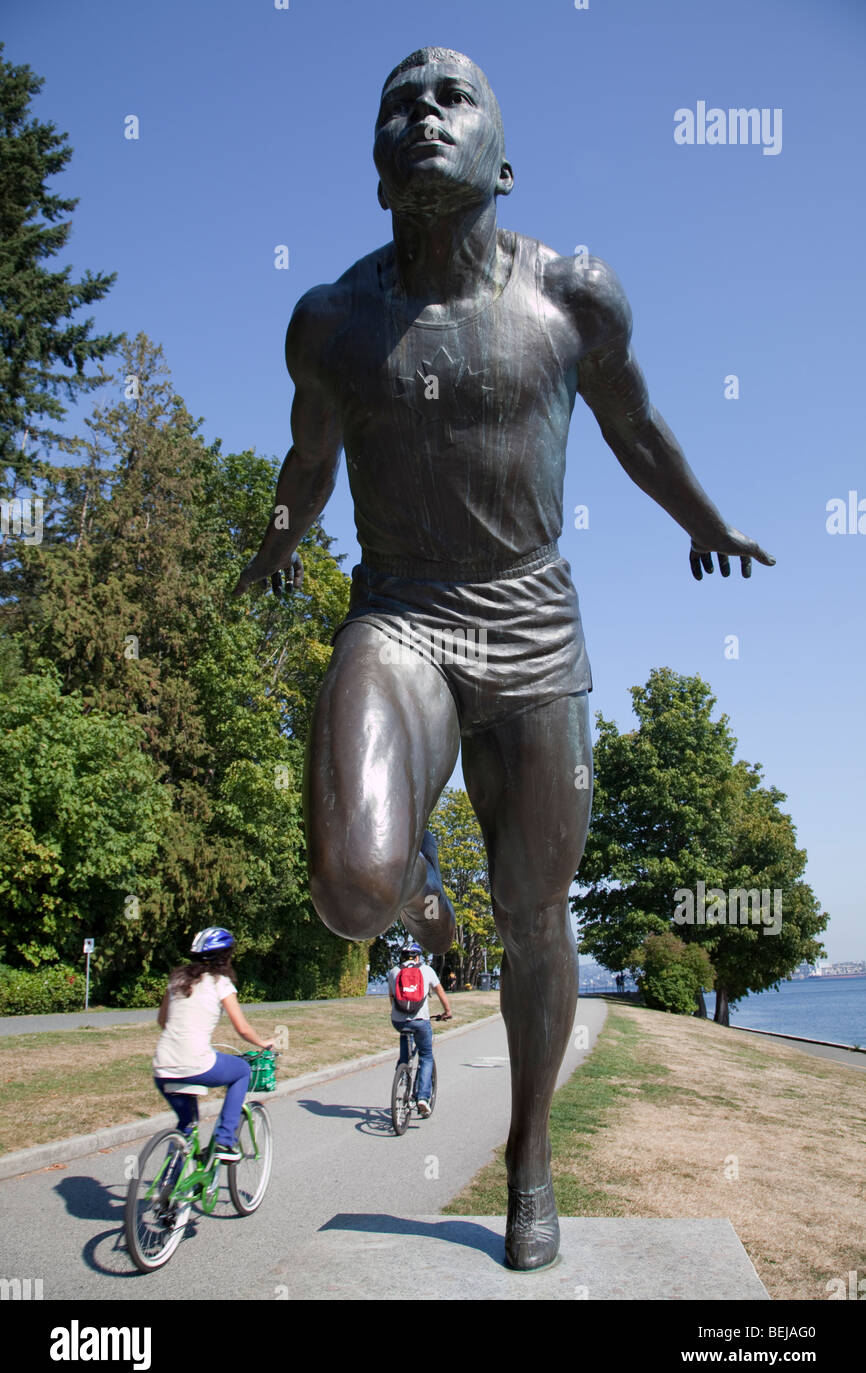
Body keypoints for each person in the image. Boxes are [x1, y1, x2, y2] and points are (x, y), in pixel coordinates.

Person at [233, 47, 774, 1267]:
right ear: (377, 172)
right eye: (397, 107)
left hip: (533, 630)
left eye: (449, 99)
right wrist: (272, 547)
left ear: (504, 164)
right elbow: (308, 469)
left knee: (536, 915)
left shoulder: (572, 296)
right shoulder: (329, 322)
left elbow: (633, 427)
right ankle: (410, 849)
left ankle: (528, 1151)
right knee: (354, 892)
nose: (422, 115)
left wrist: (704, 521)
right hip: (401, 618)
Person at [153, 928, 274, 1160]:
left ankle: (170, 1190)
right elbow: (242, 1029)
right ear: (225, 956)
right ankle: (225, 1140)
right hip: (196, 1063)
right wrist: (263, 1042)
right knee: (241, 1071)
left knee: (187, 1123)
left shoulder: (177, 979)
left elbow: (162, 1021)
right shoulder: (221, 983)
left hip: (162, 1066)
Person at [388, 942, 452, 1115]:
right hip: (421, 1021)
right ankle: (423, 1098)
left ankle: (402, 1075)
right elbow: (440, 992)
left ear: (402, 957)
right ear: (417, 957)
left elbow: (392, 999)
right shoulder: (427, 970)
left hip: (399, 1021)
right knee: (426, 1056)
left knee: (404, 1055)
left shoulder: (393, 972)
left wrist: (400, 1015)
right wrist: (447, 1011)